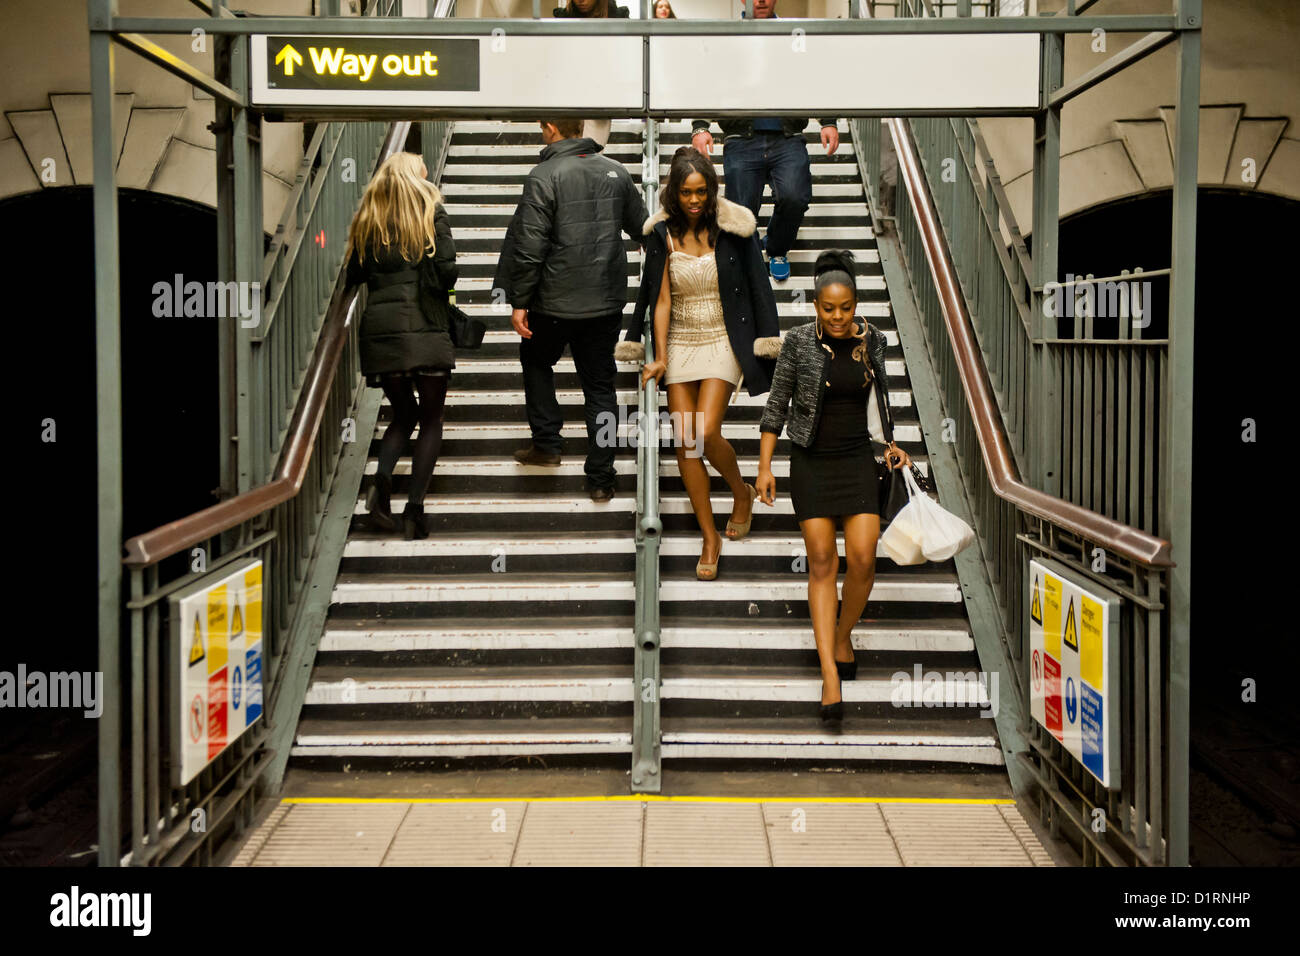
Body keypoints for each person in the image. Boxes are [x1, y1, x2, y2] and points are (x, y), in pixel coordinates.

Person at [755, 250, 912, 728]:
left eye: (845, 308)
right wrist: (764, 467)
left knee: (864, 556)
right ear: (816, 306)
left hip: (858, 458)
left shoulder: (875, 340)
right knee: (823, 561)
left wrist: (892, 444)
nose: (838, 317)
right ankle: (829, 671)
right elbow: (776, 405)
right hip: (811, 460)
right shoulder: (798, 343)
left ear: (856, 303)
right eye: (828, 308)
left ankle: (843, 634)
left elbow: (880, 397)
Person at [618, 147, 780, 579]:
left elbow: (759, 286)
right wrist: (660, 357)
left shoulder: (734, 227)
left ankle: (741, 494)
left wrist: (767, 340)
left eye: (701, 191)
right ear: (674, 191)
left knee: (705, 431)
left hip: (724, 337)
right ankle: (709, 535)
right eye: (686, 192)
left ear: (711, 190)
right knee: (685, 442)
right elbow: (659, 299)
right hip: (681, 340)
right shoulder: (661, 234)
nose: (694, 200)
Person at [494, 119, 648, 502]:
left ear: (550, 128)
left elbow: (530, 246)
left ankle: (547, 444)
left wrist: (519, 301)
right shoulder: (615, 171)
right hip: (604, 303)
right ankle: (601, 477)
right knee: (600, 386)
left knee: (536, 361)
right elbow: (644, 228)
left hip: (552, 303)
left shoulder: (543, 175)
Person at [344, 151, 458, 541]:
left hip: (381, 334)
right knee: (431, 420)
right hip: (425, 329)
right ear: (417, 177)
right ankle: (414, 513)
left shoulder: (368, 220)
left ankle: (381, 482)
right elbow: (447, 271)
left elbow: (355, 274)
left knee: (402, 415)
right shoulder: (431, 212)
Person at [689, 0, 840, 282]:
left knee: (795, 197)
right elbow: (710, 79)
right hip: (742, 138)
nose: (760, 0)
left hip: (786, 137)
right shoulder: (729, 39)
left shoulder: (794, 36)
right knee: (742, 208)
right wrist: (700, 126)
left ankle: (776, 248)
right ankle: (749, 253)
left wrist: (828, 120)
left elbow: (813, 78)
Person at [551, 0, 632, 147]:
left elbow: (625, 60)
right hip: (568, 98)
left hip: (600, 99)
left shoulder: (617, 19)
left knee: (588, 155)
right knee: (567, 156)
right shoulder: (562, 19)